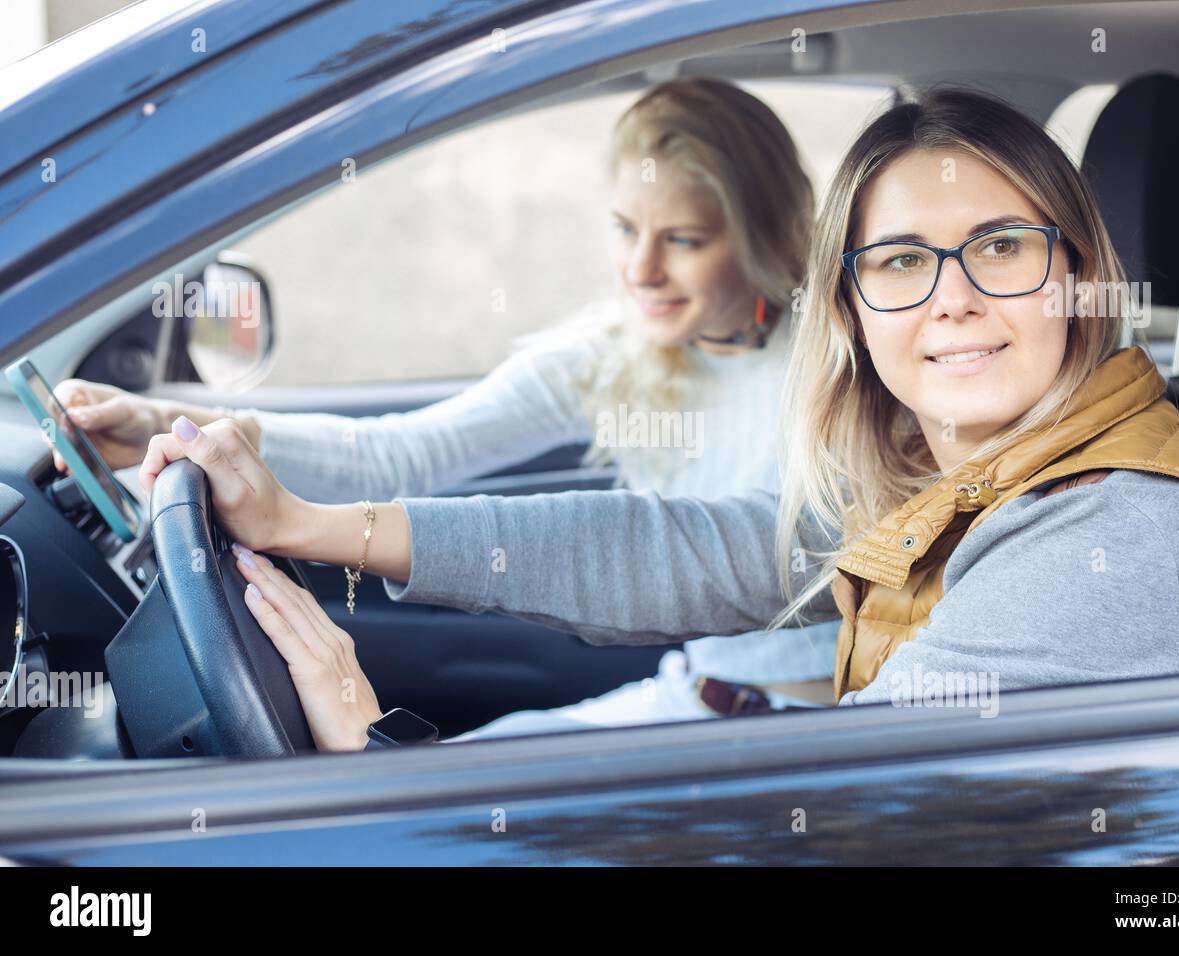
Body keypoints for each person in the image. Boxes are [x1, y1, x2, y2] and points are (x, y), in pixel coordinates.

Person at [138, 86, 1179, 753]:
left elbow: (849, 808)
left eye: (1000, 247)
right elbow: (702, 544)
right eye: (899, 260)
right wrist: (312, 521)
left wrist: (376, 760)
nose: (951, 295)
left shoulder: (1126, 535)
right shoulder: (949, 472)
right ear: (849, 303)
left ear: (1079, 270)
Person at [56, 77, 842, 737]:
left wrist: (314, 526)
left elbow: (734, 559)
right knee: (459, 776)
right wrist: (169, 426)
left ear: (762, 232)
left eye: (686, 240)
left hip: (814, 733)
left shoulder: (841, 365)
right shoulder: (615, 350)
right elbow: (405, 454)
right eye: (625, 228)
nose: (640, 269)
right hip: (690, 697)